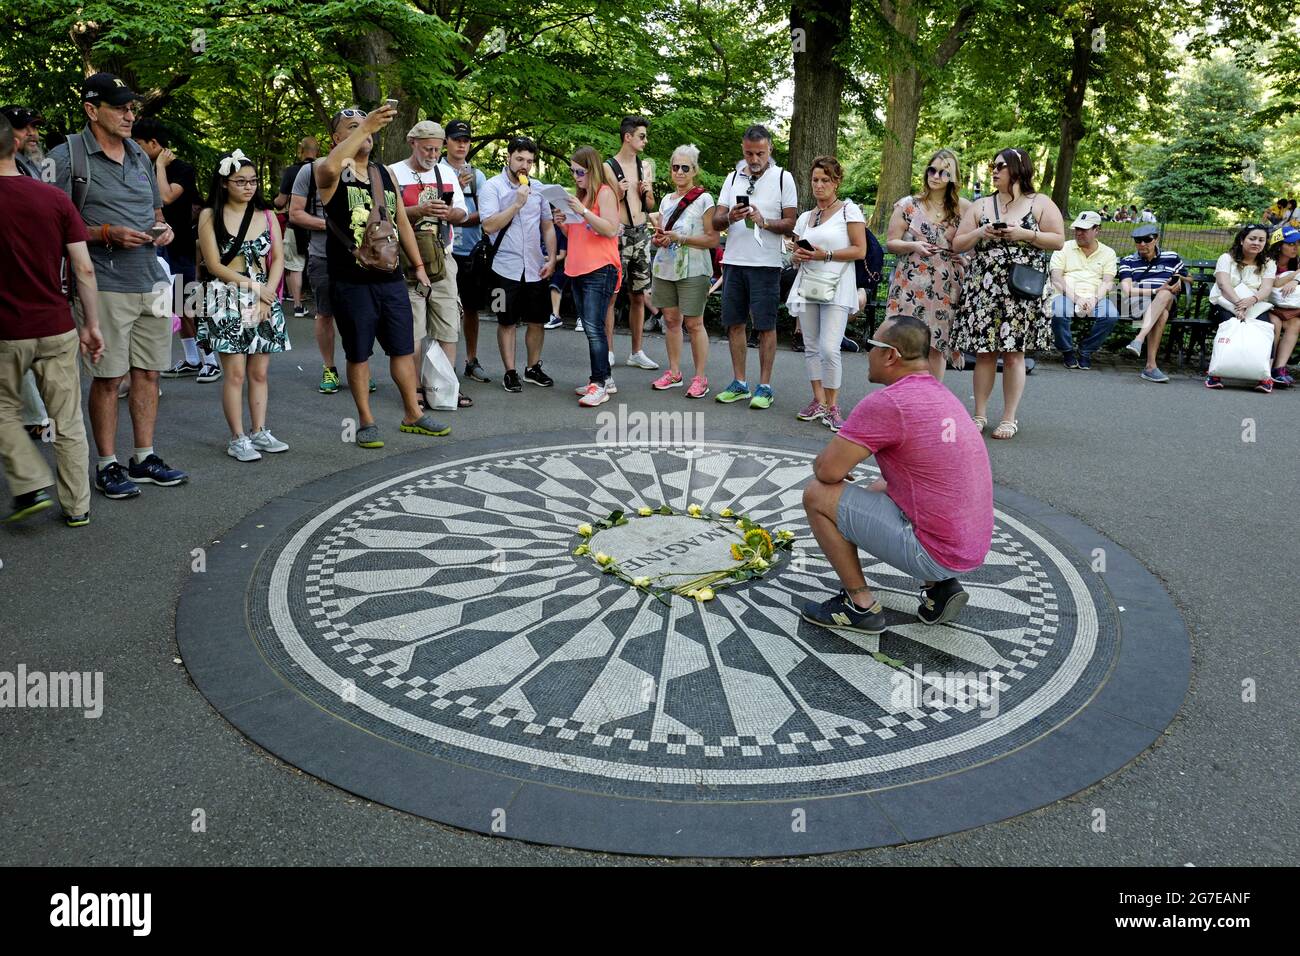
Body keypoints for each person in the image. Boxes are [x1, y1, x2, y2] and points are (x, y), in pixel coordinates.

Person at [799, 315, 993, 634]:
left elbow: (827, 471)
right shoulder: (941, 394)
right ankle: (940, 589)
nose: (867, 353)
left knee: (818, 495)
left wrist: (829, 469)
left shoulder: (888, 403)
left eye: (871, 346)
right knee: (881, 486)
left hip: (935, 550)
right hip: (970, 545)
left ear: (890, 355)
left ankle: (858, 605)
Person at [49, 73, 189, 499]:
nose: (131, 116)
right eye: (121, 108)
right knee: (109, 378)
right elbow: (45, 223)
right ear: (92, 110)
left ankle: (143, 456)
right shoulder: (68, 155)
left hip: (151, 277)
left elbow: (155, 212)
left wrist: (161, 229)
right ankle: (106, 464)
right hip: (103, 282)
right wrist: (104, 232)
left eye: (133, 108)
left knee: (149, 372)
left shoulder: (139, 155)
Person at [314, 104, 448, 445]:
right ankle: (366, 421)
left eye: (367, 126)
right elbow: (329, 166)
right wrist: (366, 126)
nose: (364, 131)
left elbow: (401, 221)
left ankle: (412, 414)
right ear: (337, 137)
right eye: (353, 127)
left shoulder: (383, 174)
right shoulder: (329, 171)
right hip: (350, 281)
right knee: (358, 353)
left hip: (389, 279)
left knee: (403, 348)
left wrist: (418, 267)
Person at [0, 114, 105, 526]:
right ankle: (77, 507)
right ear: (15, 146)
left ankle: (28, 482)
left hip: (6, 333)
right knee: (68, 419)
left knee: (5, 411)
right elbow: (84, 268)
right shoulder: (54, 199)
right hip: (57, 326)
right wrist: (91, 325)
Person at [951, 147, 1064, 440]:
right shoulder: (981, 206)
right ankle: (979, 414)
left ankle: (1009, 418)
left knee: (1014, 355)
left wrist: (1025, 234)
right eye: (993, 165)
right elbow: (957, 244)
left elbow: (1059, 240)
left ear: (1017, 168)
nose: (994, 170)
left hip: (1021, 291)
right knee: (985, 353)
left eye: (1000, 165)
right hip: (985, 289)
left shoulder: (1040, 203)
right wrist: (980, 233)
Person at [196, 150, 291, 461]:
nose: (249, 187)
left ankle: (259, 430)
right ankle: (237, 437)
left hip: (263, 297)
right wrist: (256, 289)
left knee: (260, 372)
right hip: (226, 297)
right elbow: (213, 264)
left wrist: (270, 294)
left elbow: (277, 258)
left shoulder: (266, 215)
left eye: (253, 181)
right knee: (235, 373)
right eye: (241, 182)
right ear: (224, 183)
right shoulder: (210, 215)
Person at [711, 124, 799, 409]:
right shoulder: (732, 177)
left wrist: (765, 222)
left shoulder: (784, 178)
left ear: (769, 149)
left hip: (766, 264)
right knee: (734, 323)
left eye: (760, 153)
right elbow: (715, 221)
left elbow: (791, 223)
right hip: (735, 262)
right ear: (743, 150)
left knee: (765, 326)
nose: (754, 159)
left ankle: (764, 386)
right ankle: (739, 382)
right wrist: (731, 218)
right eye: (749, 153)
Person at [387, 120, 471, 409]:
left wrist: (450, 212)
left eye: (437, 149)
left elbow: (463, 213)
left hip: (443, 260)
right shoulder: (393, 173)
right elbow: (385, 216)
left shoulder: (446, 172)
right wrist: (417, 210)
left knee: (448, 328)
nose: (433, 154)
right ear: (412, 143)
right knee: (413, 332)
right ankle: (415, 390)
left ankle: (446, 386)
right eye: (428, 149)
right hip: (407, 263)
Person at [787, 156, 867, 433]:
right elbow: (796, 253)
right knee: (810, 346)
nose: (819, 185)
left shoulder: (849, 210)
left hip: (837, 285)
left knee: (829, 348)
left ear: (836, 182)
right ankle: (818, 401)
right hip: (809, 283)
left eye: (825, 180)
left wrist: (826, 254)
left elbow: (860, 250)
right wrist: (797, 255)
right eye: (815, 180)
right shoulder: (806, 217)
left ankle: (833, 406)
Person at [477, 135, 557, 393]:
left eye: (529, 161)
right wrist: (517, 203)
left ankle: (533, 367)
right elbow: (488, 225)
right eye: (519, 159)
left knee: (537, 320)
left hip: (535, 267)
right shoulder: (492, 187)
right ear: (508, 157)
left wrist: (553, 258)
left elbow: (547, 225)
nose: (524, 165)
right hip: (503, 268)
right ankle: (510, 371)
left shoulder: (539, 188)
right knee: (506, 321)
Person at [133, 118, 209, 381]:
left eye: (139, 143)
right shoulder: (140, 167)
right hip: (158, 245)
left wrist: (161, 166)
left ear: (154, 143)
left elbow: (165, 197)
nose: (135, 148)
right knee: (174, 305)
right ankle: (190, 359)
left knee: (189, 303)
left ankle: (210, 360)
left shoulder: (182, 169)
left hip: (181, 247)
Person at [885, 148, 969, 382]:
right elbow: (892, 242)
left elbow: (975, 244)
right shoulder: (908, 205)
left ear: (952, 177)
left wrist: (965, 258)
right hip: (911, 281)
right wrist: (913, 246)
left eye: (943, 172)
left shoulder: (962, 208)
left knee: (937, 344)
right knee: (905, 341)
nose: (936, 175)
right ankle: (901, 397)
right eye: (932, 170)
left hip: (945, 284)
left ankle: (931, 402)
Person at [648, 144, 717, 398]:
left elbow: (712, 239)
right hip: (667, 267)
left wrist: (681, 238)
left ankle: (700, 377)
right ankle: (674, 372)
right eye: (675, 167)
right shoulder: (666, 200)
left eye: (684, 168)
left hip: (694, 268)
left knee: (694, 323)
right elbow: (665, 234)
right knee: (670, 321)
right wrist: (661, 238)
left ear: (694, 171)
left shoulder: (704, 199)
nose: (679, 172)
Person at [555, 146, 621, 406]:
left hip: (599, 268)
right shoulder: (581, 197)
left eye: (579, 171)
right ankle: (604, 379)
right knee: (591, 329)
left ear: (592, 169)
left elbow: (610, 229)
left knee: (594, 329)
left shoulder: (604, 193)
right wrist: (563, 220)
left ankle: (600, 384)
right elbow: (577, 235)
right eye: (572, 171)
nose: (575, 176)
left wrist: (582, 212)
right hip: (579, 267)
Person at [290, 121, 349, 395]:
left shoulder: (369, 172)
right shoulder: (311, 170)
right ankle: (329, 368)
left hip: (357, 257)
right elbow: (295, 213)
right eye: (351, 128)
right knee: (325, 313)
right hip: (322, 255)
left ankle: (359, 368)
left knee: (357, 315)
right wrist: (331, 225)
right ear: (335, 137)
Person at [605, 115, 658, 371]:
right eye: (641, 136)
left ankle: (637, 351)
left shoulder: (645, 166)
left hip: (641, 232)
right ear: (627, 137)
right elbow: (602, 205)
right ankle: (608, 350)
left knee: (639, 295)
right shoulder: (608, 167)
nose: (645, 141)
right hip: (618, 233)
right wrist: (618, 193)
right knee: (612, 294)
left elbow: (650, 206)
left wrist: (645, 193)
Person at [442, 120, 492, 384]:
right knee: (443, 309)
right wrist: (458, 197)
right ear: (445, 142)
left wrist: (458, 217)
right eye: (456, 139)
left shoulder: (477, 174)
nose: (462, 144)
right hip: (443, 250)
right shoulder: (436, 171)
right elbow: (433, 211)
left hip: (471, 252)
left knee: (471, 308)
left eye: (466, 140)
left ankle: (471, 360)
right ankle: (442, 365)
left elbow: (486, 213)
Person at [1205, 223, 1275, 392]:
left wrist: (1250, 301)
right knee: (1228, 325)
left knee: (1265, 328)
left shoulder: (1268, 263)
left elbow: (1266, 288)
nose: (1256, 243)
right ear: (1242, 240)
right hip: (1226, 303)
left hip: (1254, 305)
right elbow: (1223, 284)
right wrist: (1238, 304)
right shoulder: (1226, 258)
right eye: (1252, 238)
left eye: (1261, 240)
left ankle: (1265, 376)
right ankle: (1215, 374)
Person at [1048, 210, 1119, 370]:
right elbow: (1057, 279)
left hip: (1095, 296)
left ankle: (1086, 350)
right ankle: (1067, 350)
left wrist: (1094, 299)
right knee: (1058, 311)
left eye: (1084, 230)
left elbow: (1107, 282)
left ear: (1097, 230)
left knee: (1111, 315)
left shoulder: (1108, 253)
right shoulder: (1063, 248)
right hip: (1065, 294)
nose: (1078, 233)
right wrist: (1078, 299)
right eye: (1077, 229)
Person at [1119, 223, 1187, 383]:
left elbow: (1188, 277)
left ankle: (1139, 339)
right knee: (1161, 309)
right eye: (1138, 240)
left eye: (1147, 240)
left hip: (1168, 301)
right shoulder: (1128, 260)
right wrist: (1156, 291)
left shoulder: (1172, 257)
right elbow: (1127, 290)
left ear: (1156, 239)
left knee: (1165, 294)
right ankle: (1150, 366)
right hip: (1137, 305)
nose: (1142, 244)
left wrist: (1180, 281)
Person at [273, 136, 319, 319]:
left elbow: (280, 202)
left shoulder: (292, 171)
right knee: (319, 265)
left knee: (295, 266)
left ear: (300, 150)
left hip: (296, 225)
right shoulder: (323, 169)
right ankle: (321, 308)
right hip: (318, 225)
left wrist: (272, 202)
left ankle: (298, 306)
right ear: (318, 151)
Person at [1264, 228, 1299, 387]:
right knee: (1275, 324)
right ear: (1279, 246)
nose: (1295, 247)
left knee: (1296, 324)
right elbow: (1275, 284)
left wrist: (1295, 281)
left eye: (1297, 244)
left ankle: (1279, 369)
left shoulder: (1296, 261)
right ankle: (1266, 368)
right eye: (1291, 244)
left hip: (1286, 308)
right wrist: (1295, 276)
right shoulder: (1267, 261)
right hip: (1266, 306)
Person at [1, 105, 43, 179]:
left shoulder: (31, 160)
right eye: (21, 126)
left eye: (34, 126)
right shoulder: (6, 169)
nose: (32, 133)